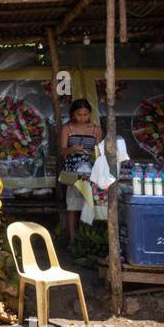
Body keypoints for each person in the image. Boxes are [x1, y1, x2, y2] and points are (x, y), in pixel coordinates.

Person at [59, 98, 104, 239]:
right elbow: (62, 152)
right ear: (73, 114)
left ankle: (88, 237)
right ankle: (73, 239)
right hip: (73, 173)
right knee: (72, 205)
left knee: (90, 204)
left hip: (91, 173)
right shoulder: (67, 129)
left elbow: (99, 152)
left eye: (86, 115)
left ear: (90, 114)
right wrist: (72, 149)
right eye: (79, 115)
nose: (83, 118)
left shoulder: (96, 129)